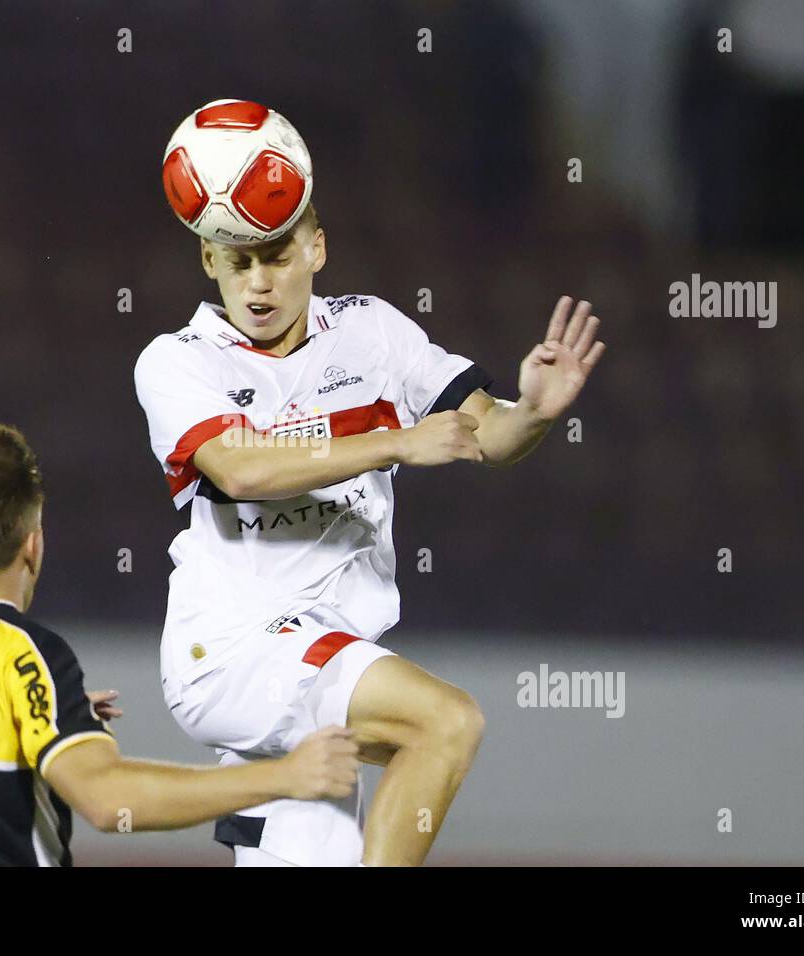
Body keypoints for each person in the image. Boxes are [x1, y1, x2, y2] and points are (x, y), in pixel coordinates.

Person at [133, 202, 605, 865]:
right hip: (234, 649)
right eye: (239, 262)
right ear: (210, 261)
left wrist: (531, 411)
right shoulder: (180, 362)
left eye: (278, 257)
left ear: (317, 250)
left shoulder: (371, 333)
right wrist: (396, 442)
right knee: (444, 721)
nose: (258, 282)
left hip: (320, 660)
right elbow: (240, 471)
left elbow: (486, 435)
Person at [0, 421, 359, 866]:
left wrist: (40, 727)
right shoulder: (27, 653)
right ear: (33, 544)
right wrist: (287, 774)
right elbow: (107, 801)